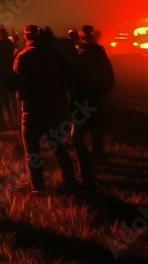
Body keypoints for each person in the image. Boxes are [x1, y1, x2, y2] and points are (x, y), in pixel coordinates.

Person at [14, 26, 93, 195]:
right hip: (55, 109)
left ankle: (38, 187)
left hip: (32, 111)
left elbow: (18, 86)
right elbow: (69, 80)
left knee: (32, 151)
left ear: (27, 37)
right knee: (58, 146)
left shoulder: (23, 57)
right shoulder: (57, 56)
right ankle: (70, 181)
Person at [74, 25, 115, 159]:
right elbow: (107, 71)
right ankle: (98, 151)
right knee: (95, 123)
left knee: (80, 125)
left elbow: (77, 73)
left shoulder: (82, 52)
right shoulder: (99, 51)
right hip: (95, 92)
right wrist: (106, 88)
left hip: (84, 92)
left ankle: (83, 155)